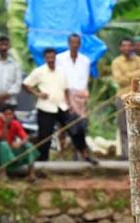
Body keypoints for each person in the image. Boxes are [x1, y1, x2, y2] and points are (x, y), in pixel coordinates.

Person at [23, 48, 74, 162]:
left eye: (52, 57)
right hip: (46, 106)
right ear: (45, 58)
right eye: (48, 57)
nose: (51, 59)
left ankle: (79, 155)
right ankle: (43, 161)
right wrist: (38, 94)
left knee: (73, 129)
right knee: (45, 135)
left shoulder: (62, 71)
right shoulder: (39, 71)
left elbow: (66, 89)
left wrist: (69, 103)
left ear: (55, 57)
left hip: (61, 106)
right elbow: (26, 84)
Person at [56, 33, 97, 164]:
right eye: (72, 43)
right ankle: (61, 153)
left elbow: (85, 79)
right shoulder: (60, 58)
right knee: (63, 126)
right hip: (65, 95)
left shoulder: (85, 60)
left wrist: (84, 96)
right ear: (68, 44)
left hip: (80, 96)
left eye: (77, 43)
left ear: (80, 44)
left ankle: (78, 152)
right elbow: (60, 78)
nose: (75, 45)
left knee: (80, 125)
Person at [112, 37, 140, 155]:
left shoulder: (139, 60)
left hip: (138, 98)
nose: (126, 48)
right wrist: (135, 77)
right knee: (123, 127)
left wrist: (127, 75)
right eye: (124, 46)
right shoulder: (116, 62)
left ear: (132, 47)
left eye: (129, 46)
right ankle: (126, 154)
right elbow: (119, 80)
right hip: (122, 97)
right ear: (120, 48)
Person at [0, 104, 37, 180]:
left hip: (10, 148)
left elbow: (25, 137)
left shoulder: (15, 123)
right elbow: (2, 138)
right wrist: (5, 124)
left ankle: (31, 173)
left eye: (10, 114)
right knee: (3, 144)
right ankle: (3, 173)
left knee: (29, 145)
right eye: (6, 114)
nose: (9, 116)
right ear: (2, 115)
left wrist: (20, 143)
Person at [0, 36, 22, 116]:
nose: (4, 47)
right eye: (1, 45)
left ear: (9, 46)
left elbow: (18, 83)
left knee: (9, 127)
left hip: (10, 102)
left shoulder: (15, 64)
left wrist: (7, 94)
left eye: (6, 45)